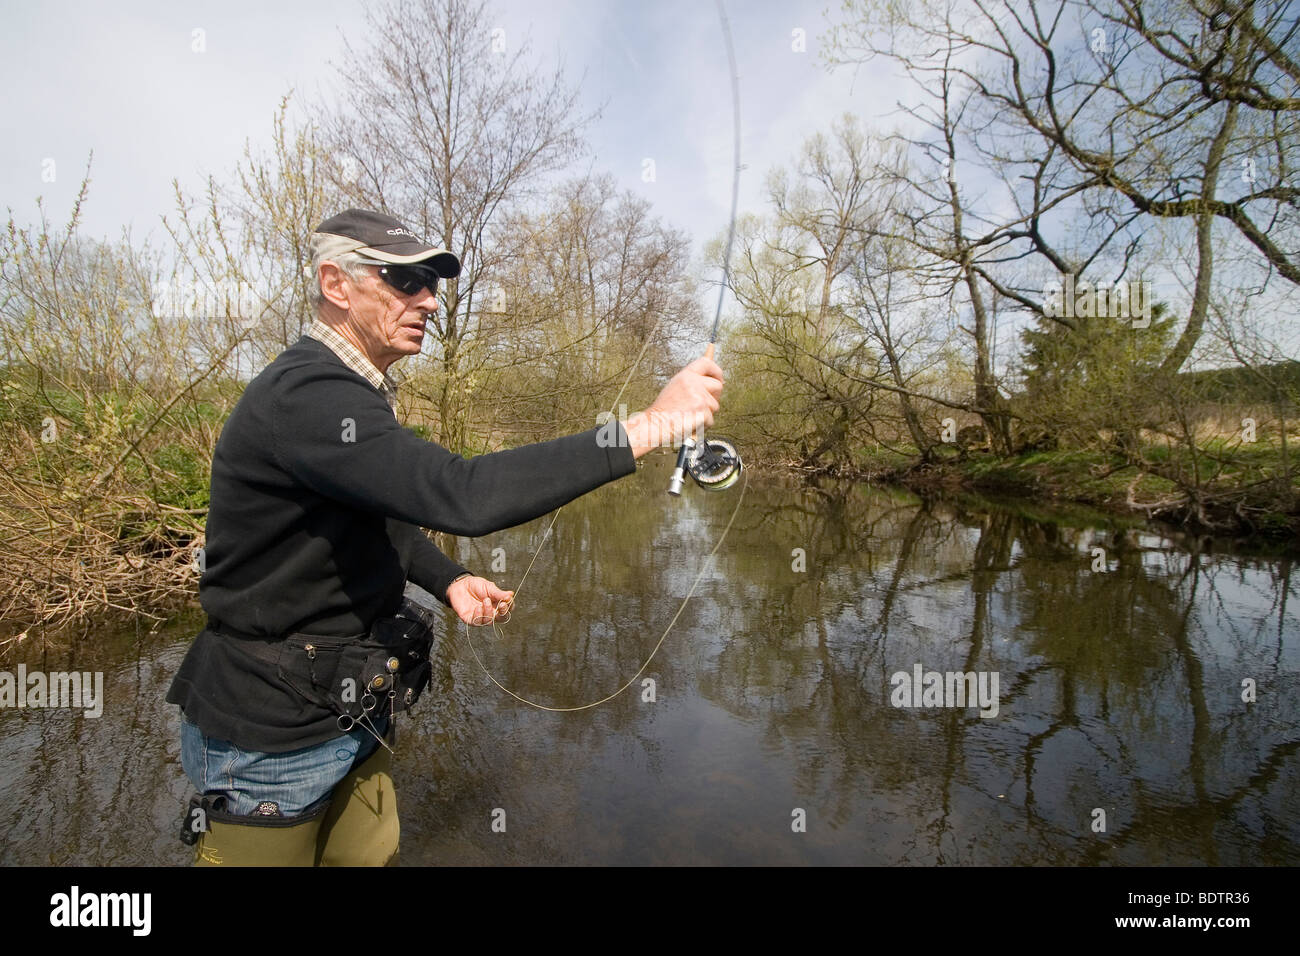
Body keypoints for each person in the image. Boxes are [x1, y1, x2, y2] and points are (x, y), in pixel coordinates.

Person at [166, 208, 724, 865]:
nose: (429, 298)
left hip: (353, 710)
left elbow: (384, 517)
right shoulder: (308, 396)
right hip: (269, 738)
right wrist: (649, 427)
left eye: (432, 281)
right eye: (405, 279)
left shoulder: (353, 393)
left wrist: (448, 578)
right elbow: (464, 493)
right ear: (336, 284)